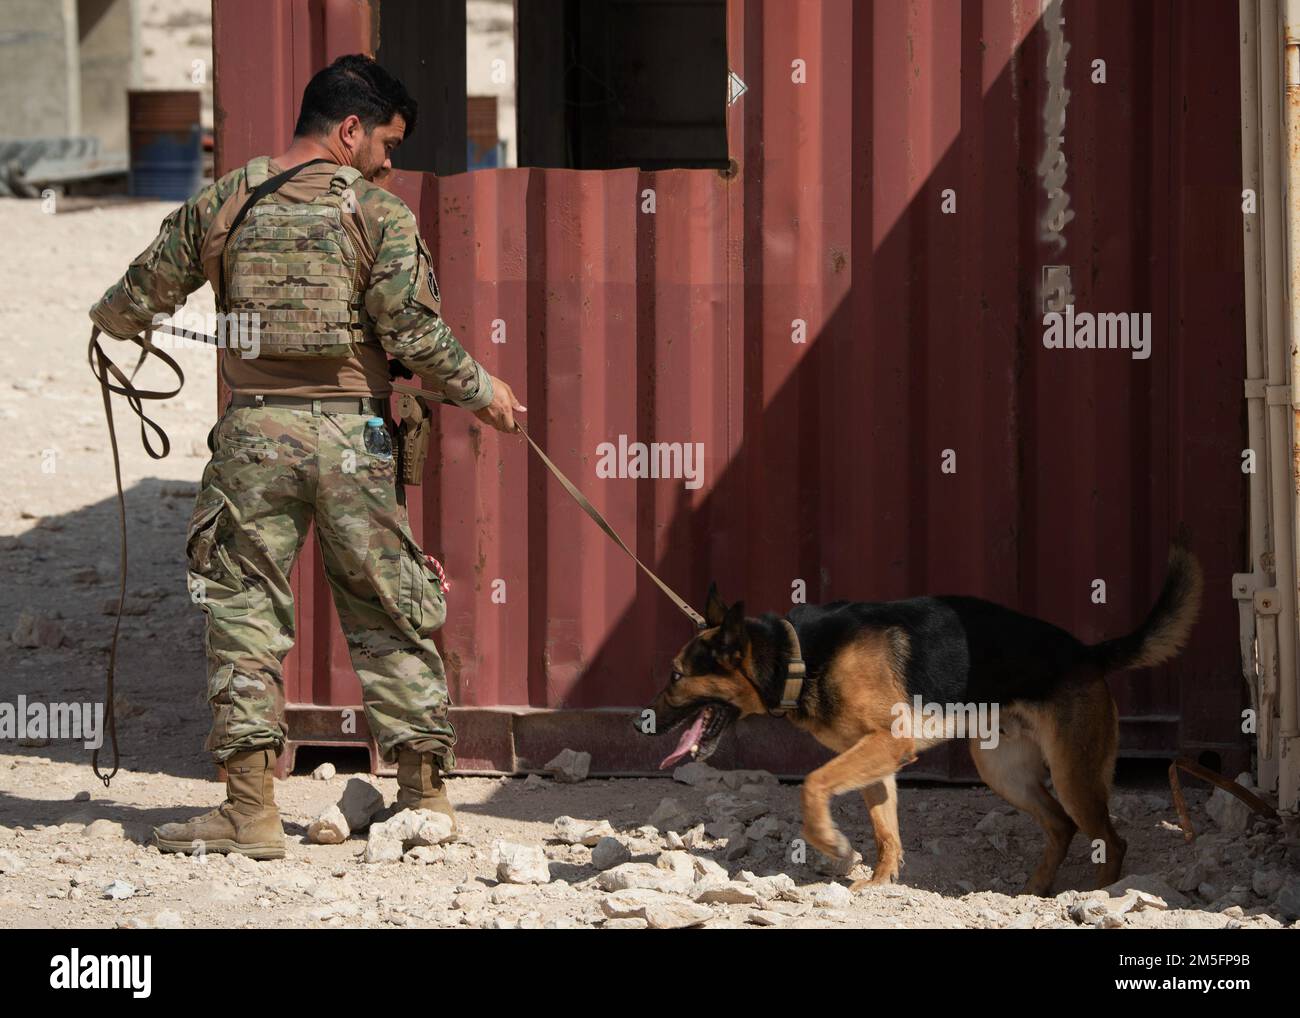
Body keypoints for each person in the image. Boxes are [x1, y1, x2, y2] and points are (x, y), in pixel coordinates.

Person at [89, 54, 523, 859]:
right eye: (386, 142)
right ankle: (425, 798)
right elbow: (414, 336)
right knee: (388, 607)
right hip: (355, 439)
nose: (391, 160)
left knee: (243, 615)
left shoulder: (225, 199)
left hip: (256, 436)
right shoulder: (379, 216)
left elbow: (137, 296)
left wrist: (111, 320)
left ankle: (251, 814)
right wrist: (483, 390)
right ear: (349, 130)